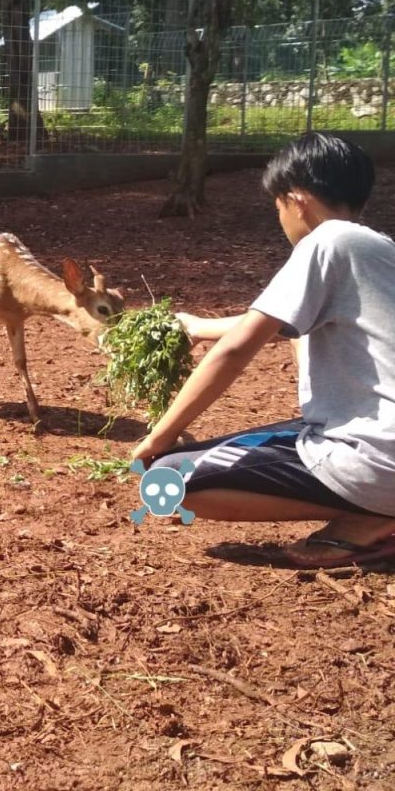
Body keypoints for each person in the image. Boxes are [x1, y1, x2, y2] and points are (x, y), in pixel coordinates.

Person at [133, 132, 395, 569]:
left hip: (375, 457)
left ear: (297, 200)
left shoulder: (327, 242)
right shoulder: (378, 249)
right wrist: (198, 326)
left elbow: (237, 350)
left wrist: (157, 437)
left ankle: (369, 517)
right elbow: (278, 324)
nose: (281, 218)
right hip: (380, 441)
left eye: (277, 206)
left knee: (164, 482)